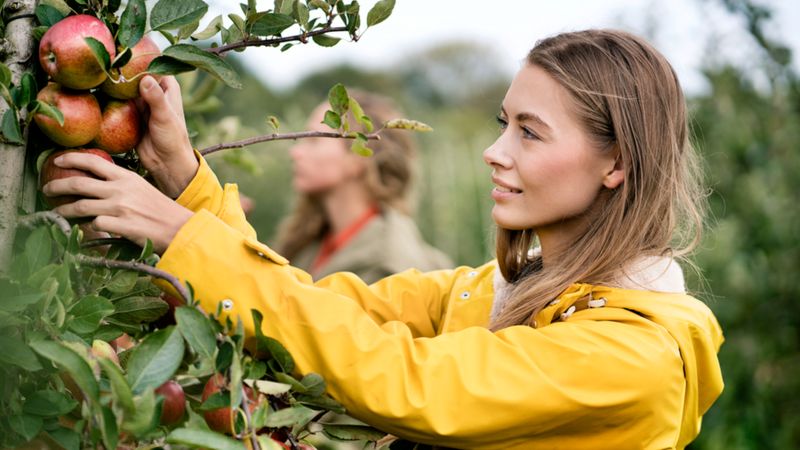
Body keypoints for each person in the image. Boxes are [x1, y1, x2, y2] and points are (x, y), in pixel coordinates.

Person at [43, 29, 724, 449]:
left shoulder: (630, 359)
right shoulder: (486, 292)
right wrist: (186, 182)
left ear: (616, 163)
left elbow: (407, 381)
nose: (494, 151)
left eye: (530, 132)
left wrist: (184, 234)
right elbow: (312, 309)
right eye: (503, 123)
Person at [274, 90, 452, 283]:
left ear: (359, 156)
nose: (295, 152)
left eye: (314, 140)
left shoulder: (388, 265)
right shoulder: (312, 239)